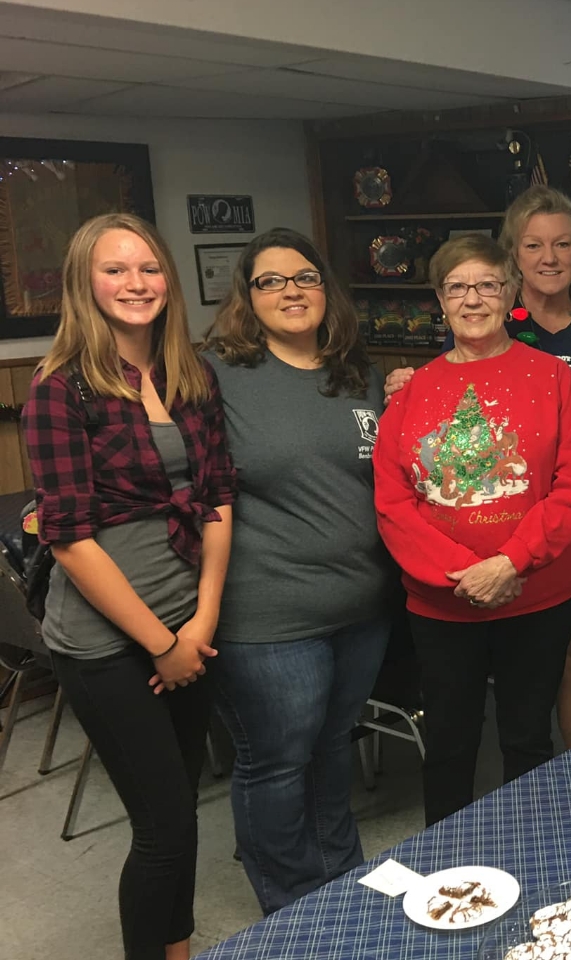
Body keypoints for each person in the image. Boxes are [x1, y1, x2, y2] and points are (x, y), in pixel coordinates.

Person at [23, 213, 236, 960]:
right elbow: (70, 540)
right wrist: (159, 645)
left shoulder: (189, 374)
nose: (135, 284)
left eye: (148, 268)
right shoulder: (60, 390)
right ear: (86, 282)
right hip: (107, 644)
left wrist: (202, 619)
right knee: (165, 823)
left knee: (181, 813)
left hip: (188, 624)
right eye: (115, 269)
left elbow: (216, 498)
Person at [384, 187, 571, 749]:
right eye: (533, 245)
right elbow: (422, 440)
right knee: (488, 705)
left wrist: (570, 410)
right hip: (480, 551)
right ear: (512, 260)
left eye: (562, 244)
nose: (549, 257)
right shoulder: (487, 321)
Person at [373, 233, 571, 825]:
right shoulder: (410, 392)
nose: (473, 299)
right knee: (449, 741)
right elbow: (394, 503)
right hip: (443, 603)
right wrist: (465, 574)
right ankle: (446, 860)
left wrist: (510, 563)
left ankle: (528, 849)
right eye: (457, 287)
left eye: (487, 285)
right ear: (440, 301)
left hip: (538, 596)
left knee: (527, 735)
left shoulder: (553, 379)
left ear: (510, 293)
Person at [201, 228, 391, 914]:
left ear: (325, 289)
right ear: (247, 298)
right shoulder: (216, 374)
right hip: (269, 615)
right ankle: (292, 906)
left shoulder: (354, 372)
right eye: (271, 281)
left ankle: (342, 879)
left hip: (361, 607)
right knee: (278, 762)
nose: (291, 291)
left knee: (333, 747)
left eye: (305, 277)